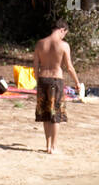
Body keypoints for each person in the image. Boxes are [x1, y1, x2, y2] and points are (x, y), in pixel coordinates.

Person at [32, 19, 83, 154]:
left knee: (46, 114)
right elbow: (69, 67)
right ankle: (53, 147)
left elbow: (35, 67)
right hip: (56, 80)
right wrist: (77, 83)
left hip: (42, 79)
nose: (64, 36)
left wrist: (39, 81)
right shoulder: (63, 45)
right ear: (62, 30)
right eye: (64, 33)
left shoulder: (40, 43)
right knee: (56, 115)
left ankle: (47, 145)